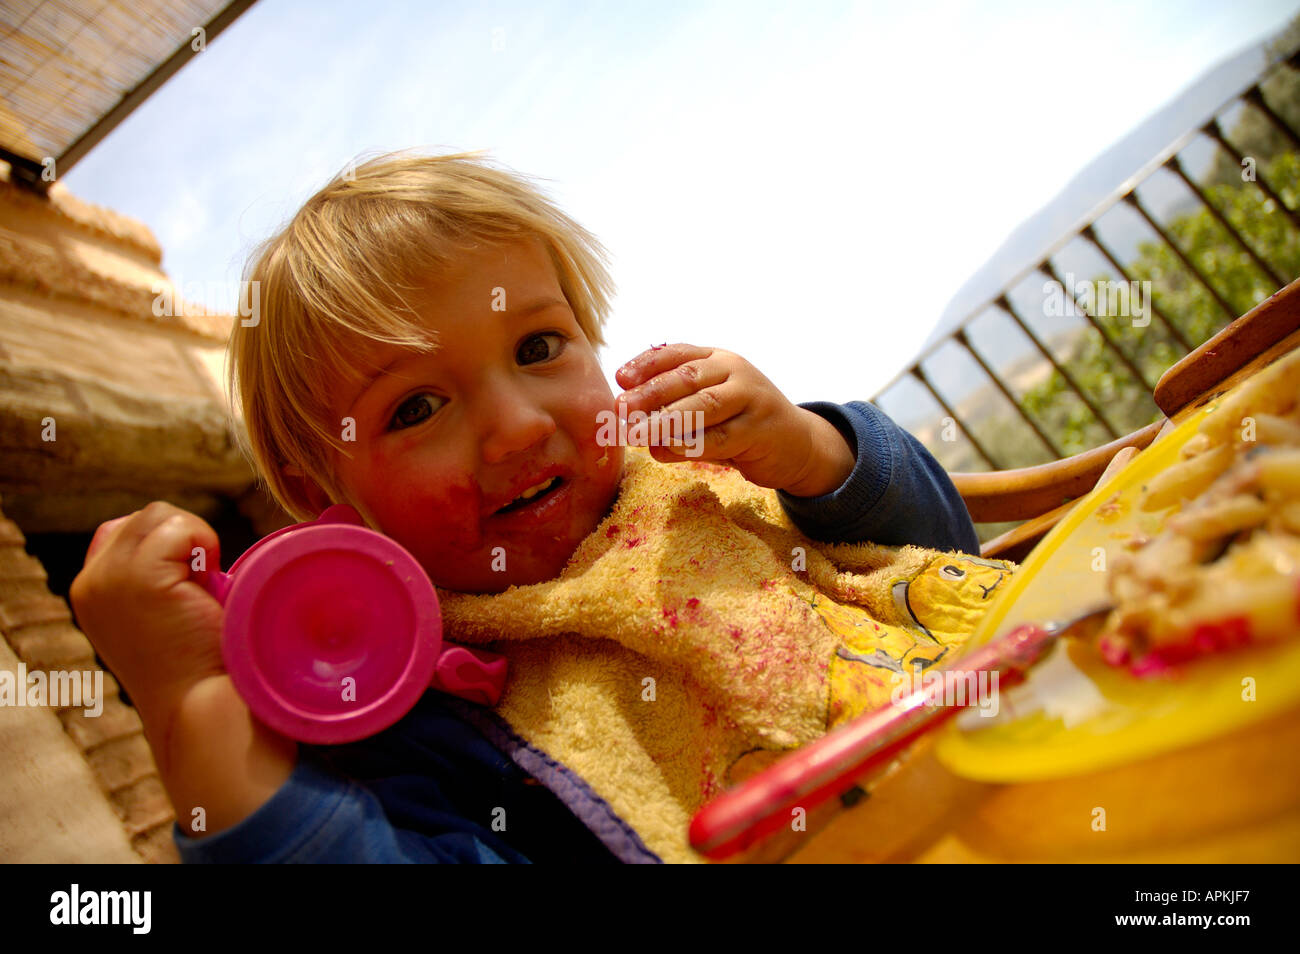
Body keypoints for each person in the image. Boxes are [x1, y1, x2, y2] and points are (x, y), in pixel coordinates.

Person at [69, 152, 979, 862]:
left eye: (540, 345)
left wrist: (814, 452)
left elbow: (946, 558)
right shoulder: (417, 718)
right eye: (416, 408)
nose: (513, 427)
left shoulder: (703, 479)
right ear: (324, 498)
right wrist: (189, 699)